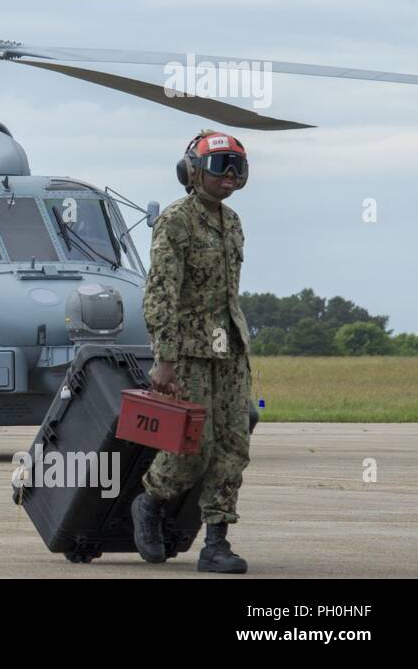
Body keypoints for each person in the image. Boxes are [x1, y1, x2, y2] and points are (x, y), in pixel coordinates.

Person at [132, 131, 253, 574]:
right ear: (193, 172)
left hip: (229, 348)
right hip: (187, 350)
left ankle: (217, 543)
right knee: (194, 447)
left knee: (233, 445)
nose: (231, 176)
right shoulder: (176, 221)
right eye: (221, 167)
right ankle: (150, 500)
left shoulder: (233, 222)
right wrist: (164, 357)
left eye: (238, 167)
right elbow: (161, 292)